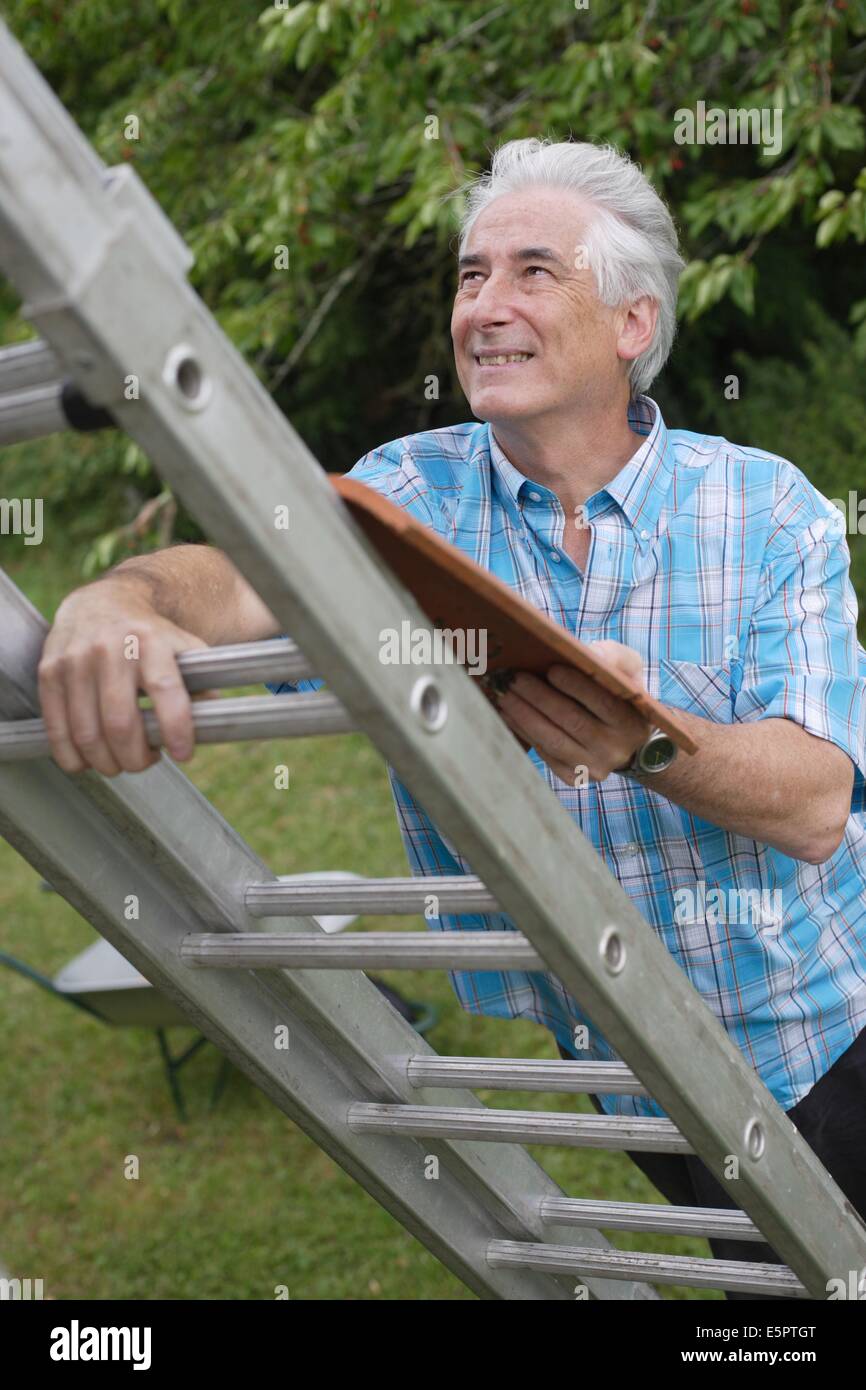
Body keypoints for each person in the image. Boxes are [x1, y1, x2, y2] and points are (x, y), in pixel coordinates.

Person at [38, 138, 866, 1298]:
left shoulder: (766, 507)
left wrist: (643, 738)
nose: (484, 305)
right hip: (643, 1083)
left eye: (533, 271)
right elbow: (235, 571)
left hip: (825, 1039)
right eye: (471, 276)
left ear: (632, 324)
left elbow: (819, 801)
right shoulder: (409, 494)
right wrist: (123, 599)